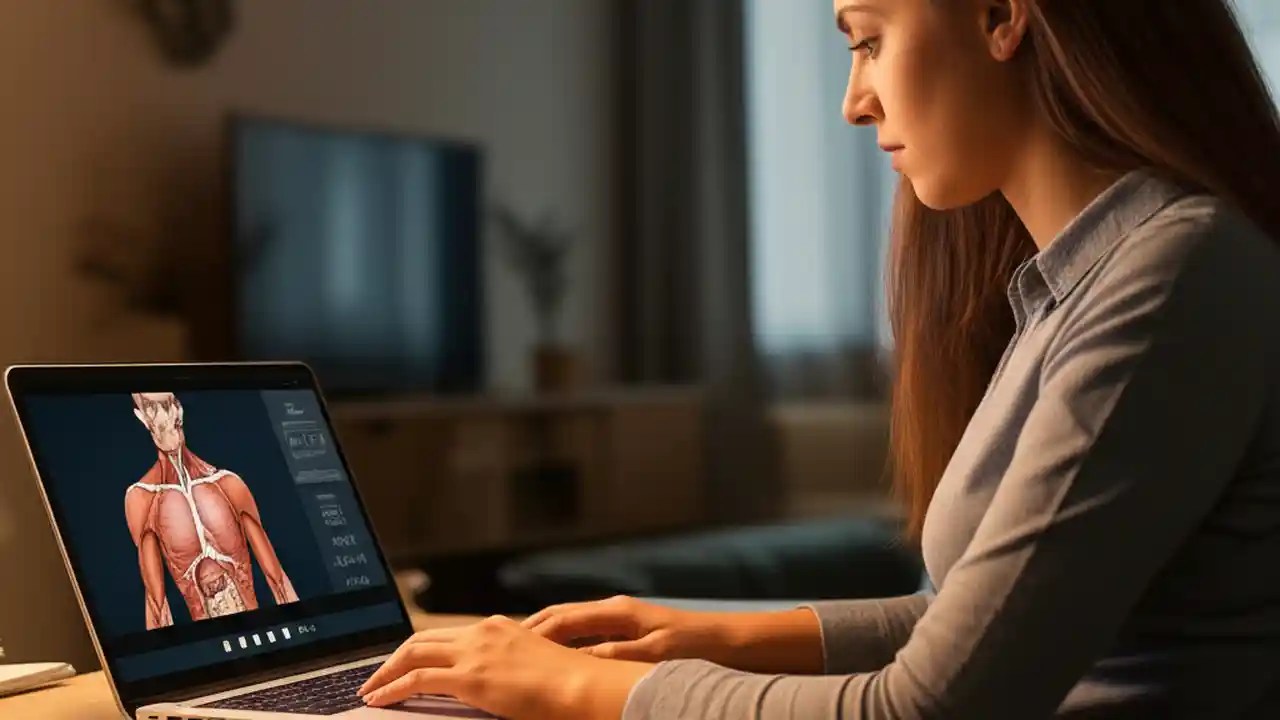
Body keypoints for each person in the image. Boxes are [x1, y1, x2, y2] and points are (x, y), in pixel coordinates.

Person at [356, 0, 1280, 717]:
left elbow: (936, 703)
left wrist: (566, 689)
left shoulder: (1173, 273)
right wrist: (695, 632)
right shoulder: (1077, 285)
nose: (852, 100)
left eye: (868, 39)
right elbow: (978, 626)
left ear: (1003, 16)